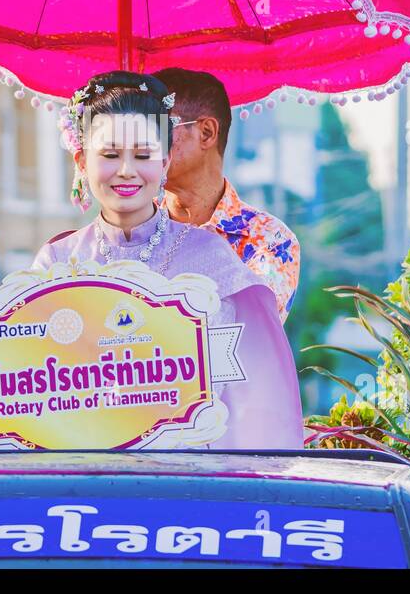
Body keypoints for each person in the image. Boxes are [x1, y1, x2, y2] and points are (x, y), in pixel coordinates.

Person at [34, 70, 304, 449]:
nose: (126, 169)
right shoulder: (58, 260)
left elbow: (248, 391)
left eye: (143, 154)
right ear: (82, 161)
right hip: (80, 473)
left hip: (188, 475)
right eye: (110, 154)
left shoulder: (219, 260)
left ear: (163, 162)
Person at [151, 68, 300, 323]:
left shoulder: (269, 238)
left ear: (206, 133)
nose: (144, 144)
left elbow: (248, 327)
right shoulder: (134, 227)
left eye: (159, 128)